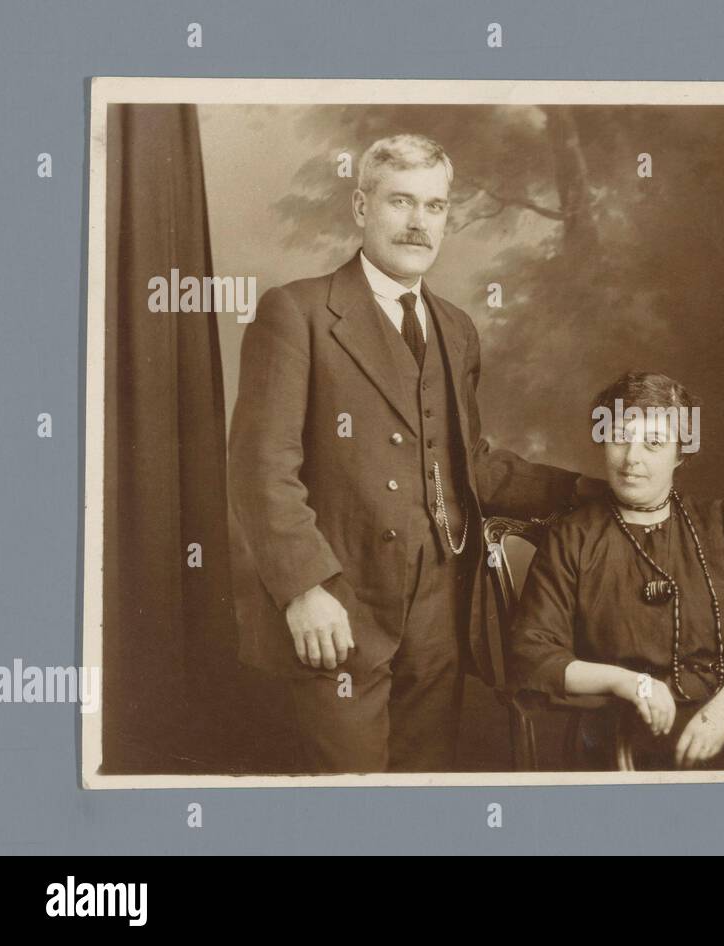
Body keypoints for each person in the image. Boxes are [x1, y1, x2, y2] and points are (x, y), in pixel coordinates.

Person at [228, 134, 597, 773]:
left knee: (423, 809)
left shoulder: (455, 327)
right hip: (340, 612)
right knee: (354, 810)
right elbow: (261, 469)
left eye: (434, 206)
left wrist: (590, 490)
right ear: (361, 206)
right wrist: (304, 589)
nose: (418, 222)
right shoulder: (297, 313)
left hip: (441, 621)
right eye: (401, 201)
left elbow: (472, 465)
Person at [510, 372, 724, 770]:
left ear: (681, 454)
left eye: (654, 443)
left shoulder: (720, 524)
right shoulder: (575, 537)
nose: (632, 458)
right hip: (639, 714)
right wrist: (629, 683)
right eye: (620, 437)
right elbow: (534, 655)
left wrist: (719, 713)